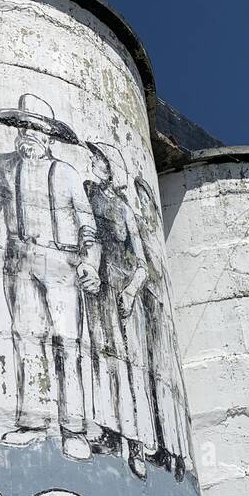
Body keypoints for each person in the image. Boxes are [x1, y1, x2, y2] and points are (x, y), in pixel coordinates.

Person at [0, 94, 101, 460]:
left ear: (49, 136)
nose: (28, 134)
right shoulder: (2, 166)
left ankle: (73, 428)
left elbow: (87, 225)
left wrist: (90, 262)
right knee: (26, 338)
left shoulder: (66, 174)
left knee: (68, 343)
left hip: (62, 262)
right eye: (23, 126)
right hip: (20, 258)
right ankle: (33, 423)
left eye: (35, 128)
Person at [84, 142, 153, 478]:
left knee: (128, 370)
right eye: (92, 159)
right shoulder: (86, 196)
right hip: (97, 290)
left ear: (109, 168)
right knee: (100, 361)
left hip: (123, 294)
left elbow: (143, 264)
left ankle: (136, 444)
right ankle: (109, 433)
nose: (92, 164)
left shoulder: (124, 209)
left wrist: (130, 292)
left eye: (98, 160)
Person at [133, 177, 192, 481]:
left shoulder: (151, 233)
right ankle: (162, 446)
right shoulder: (140, 228)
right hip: (148, 308)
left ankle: (177, 451)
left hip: (157, 311)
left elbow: (151, 271)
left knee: (165, 383)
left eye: (143, 198)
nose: (140, 203)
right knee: (153, 383)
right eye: (139, 198)